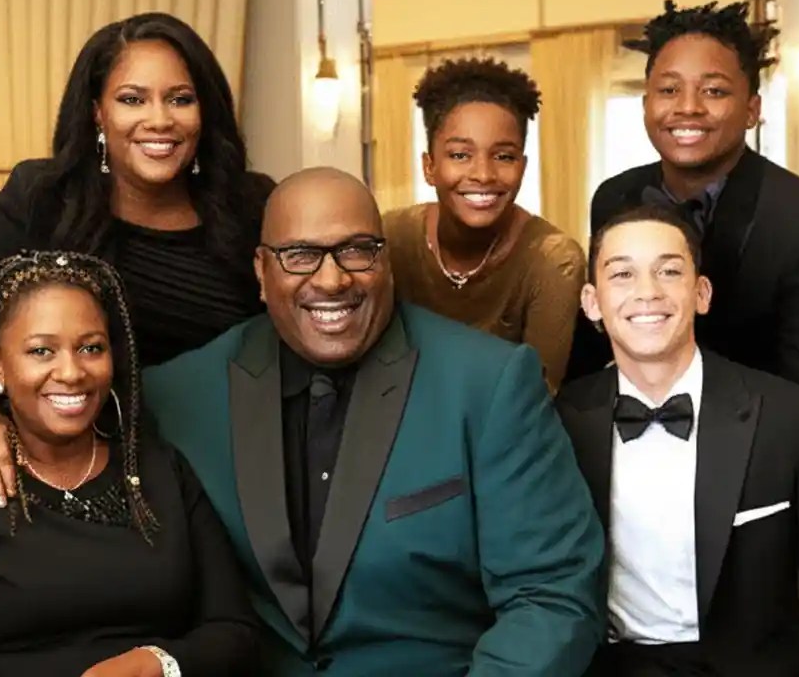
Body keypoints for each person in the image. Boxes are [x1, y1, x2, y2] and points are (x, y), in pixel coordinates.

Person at [143, 167, 604, 675]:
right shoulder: (177, 396)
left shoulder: (489, 384)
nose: (332, 279)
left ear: (386, 260)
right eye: (299, 255)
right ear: (260, 270)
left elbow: (551, 595)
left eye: (357, 250)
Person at [0, 12, 275, 504]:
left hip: (198, 469)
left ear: (205, 112)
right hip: (39, 465)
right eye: (132, 99)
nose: (159, 120)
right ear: (97, 113)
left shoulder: (252, 207)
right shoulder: (41, 198)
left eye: (181, 99)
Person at [567, 0, 799, 527]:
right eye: (669, 90)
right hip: (654, 457)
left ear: (752, 109)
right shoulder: (615, 197)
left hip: (789, 482)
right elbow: (594, 342)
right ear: (646, 103)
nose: (687, 108)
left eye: (714, 91)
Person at [0, 251, 259, 676]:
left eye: (91, 347)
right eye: (42, 351)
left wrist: (158, 663)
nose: (72, 372)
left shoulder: (161, 471)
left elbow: (234, 630)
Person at [557, 206, 799, 676]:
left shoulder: (793, 421)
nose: (647, 293)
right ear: (592, 302)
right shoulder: (557, 425)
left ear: (701, 293)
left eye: (669, 271)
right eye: (623, 274)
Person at [384, 57, 585, 391]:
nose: (483, 175)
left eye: (504, 156)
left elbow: (534, 397)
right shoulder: (391, 239)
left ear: (522, 166)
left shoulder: (553, 261)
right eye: (460, 155)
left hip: (504, 435)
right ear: (429, 166)